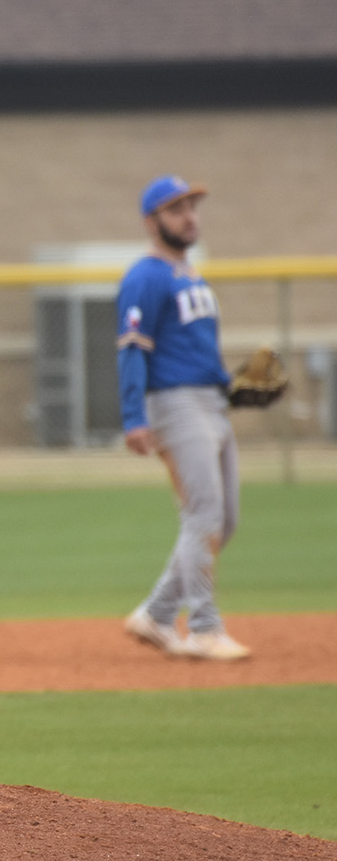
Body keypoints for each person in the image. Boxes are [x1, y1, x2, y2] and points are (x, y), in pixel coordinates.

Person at [116, 175, 252, 662]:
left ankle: (156, 614)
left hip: (209, 402)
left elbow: (192, 348)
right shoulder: (145, 277)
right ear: (152, 222)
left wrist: (229, 388)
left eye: (191, 207)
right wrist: (134, 416)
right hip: (174, 405)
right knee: (203, 515)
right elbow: (132, 349)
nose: (189, 216)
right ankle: (203, 629)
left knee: (225, 521)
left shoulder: (192, 274)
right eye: (176, 210)